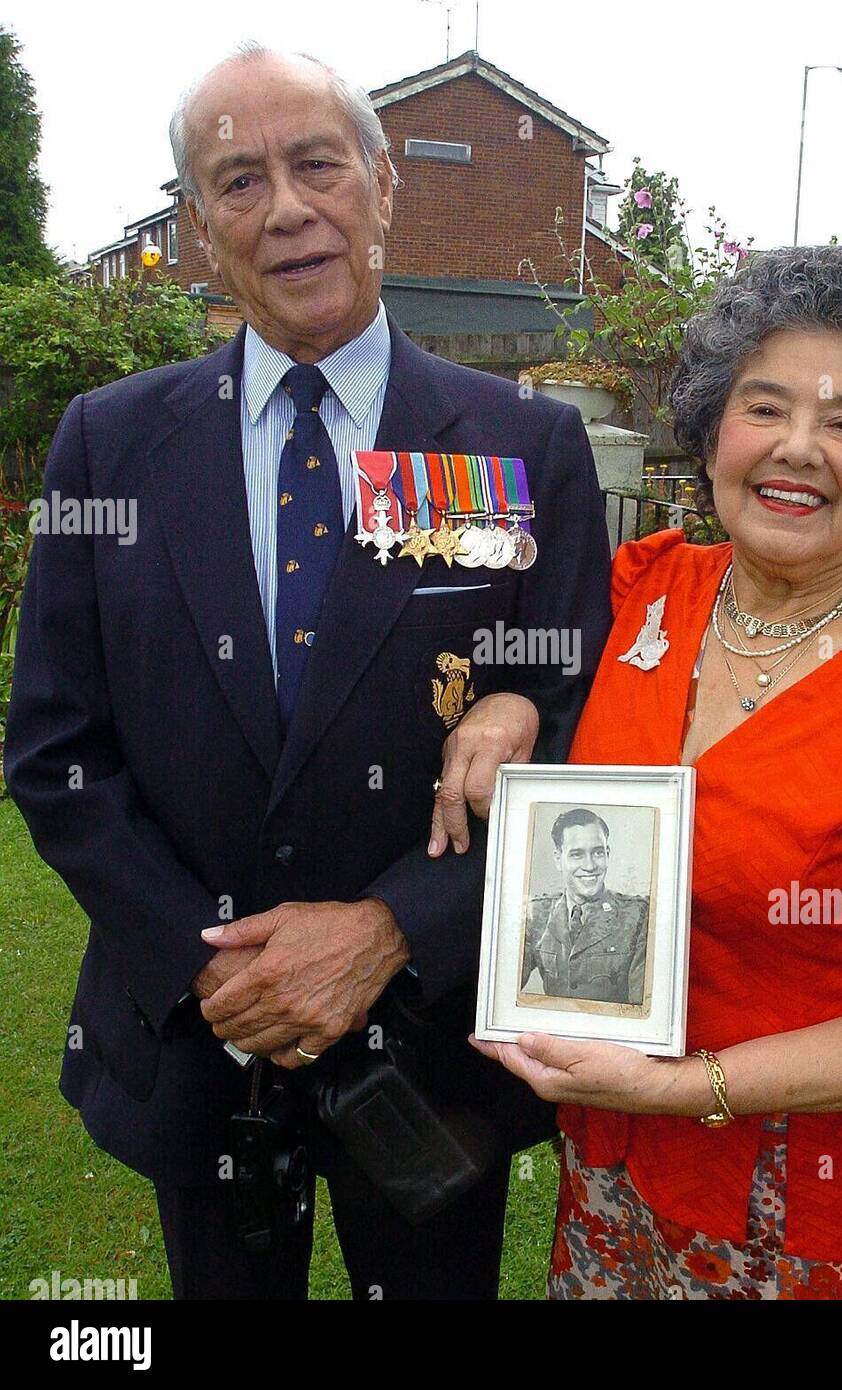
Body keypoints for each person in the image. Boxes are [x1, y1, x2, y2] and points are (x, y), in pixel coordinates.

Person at [5, 43, 611, 1301]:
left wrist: (393, 929)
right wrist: (206, 959)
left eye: (317, 164)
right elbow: (55, 746)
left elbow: (574, 719)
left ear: (383, 187)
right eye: (238, 180)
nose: (286, 208)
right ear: (195, 225)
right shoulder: (107, 443)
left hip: (432, 1050)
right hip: (200, 1035)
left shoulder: (518, 447)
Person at [470, 244, 842, 1299]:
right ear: (709, 428)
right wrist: (512, 697)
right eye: (764, 407)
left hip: (815, 1217)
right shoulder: (640, 589)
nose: (796, 451)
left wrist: (690, 1087)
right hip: (614, 1176)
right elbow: (525, 666)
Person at [521, 808, 648, 1004]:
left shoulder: (638, 915)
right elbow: (503, 990)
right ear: (558, 859)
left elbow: (641, 1009)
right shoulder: (536, 913)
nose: (589, 865)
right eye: (577, 854)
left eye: (597, 852)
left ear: (608, 853)